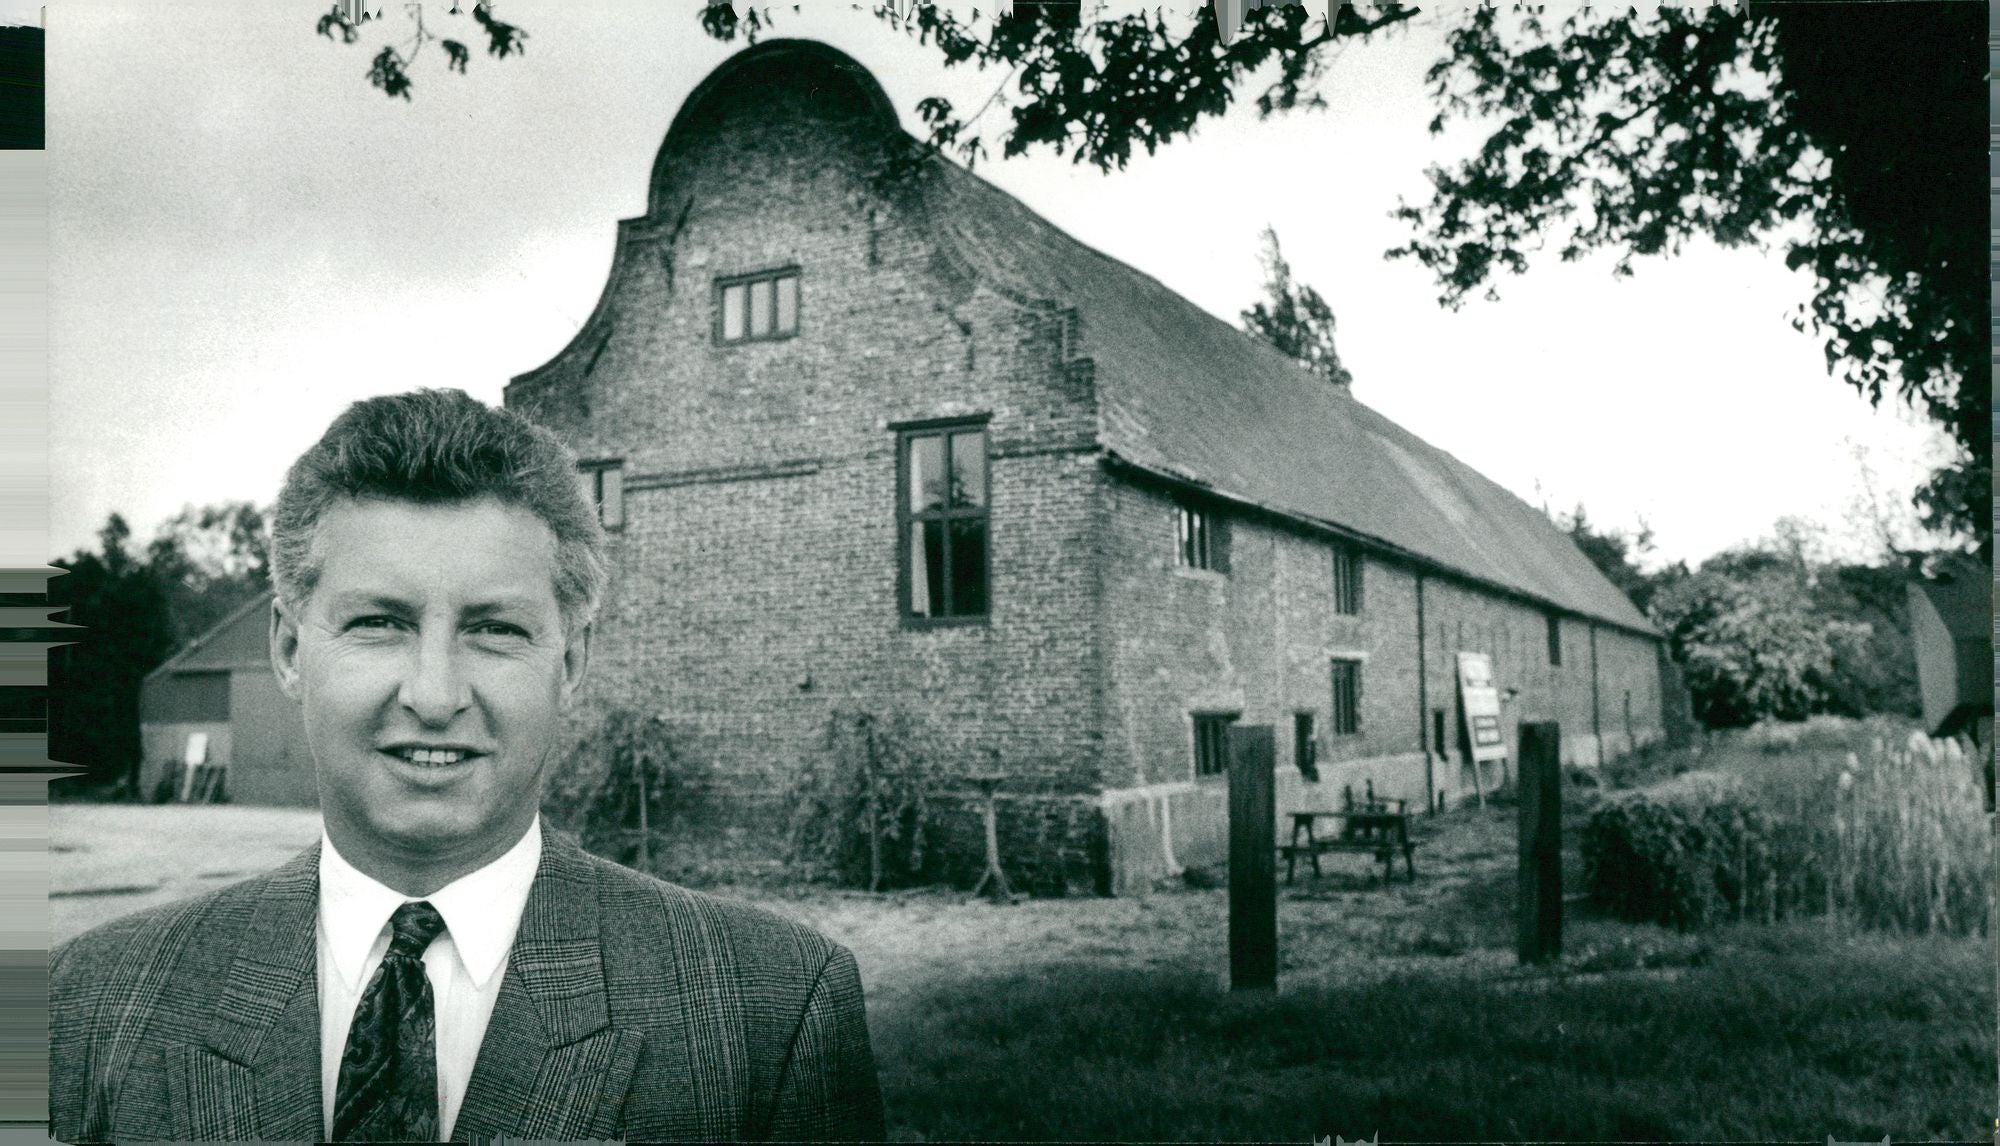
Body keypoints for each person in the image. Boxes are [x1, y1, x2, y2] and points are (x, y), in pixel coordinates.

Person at [48, 389, 885, 1143]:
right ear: (289, 648)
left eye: (495, 629)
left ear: (572, 662)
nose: (436, 694)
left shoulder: (773, 1007)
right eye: (380, 622)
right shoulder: (101, 997)